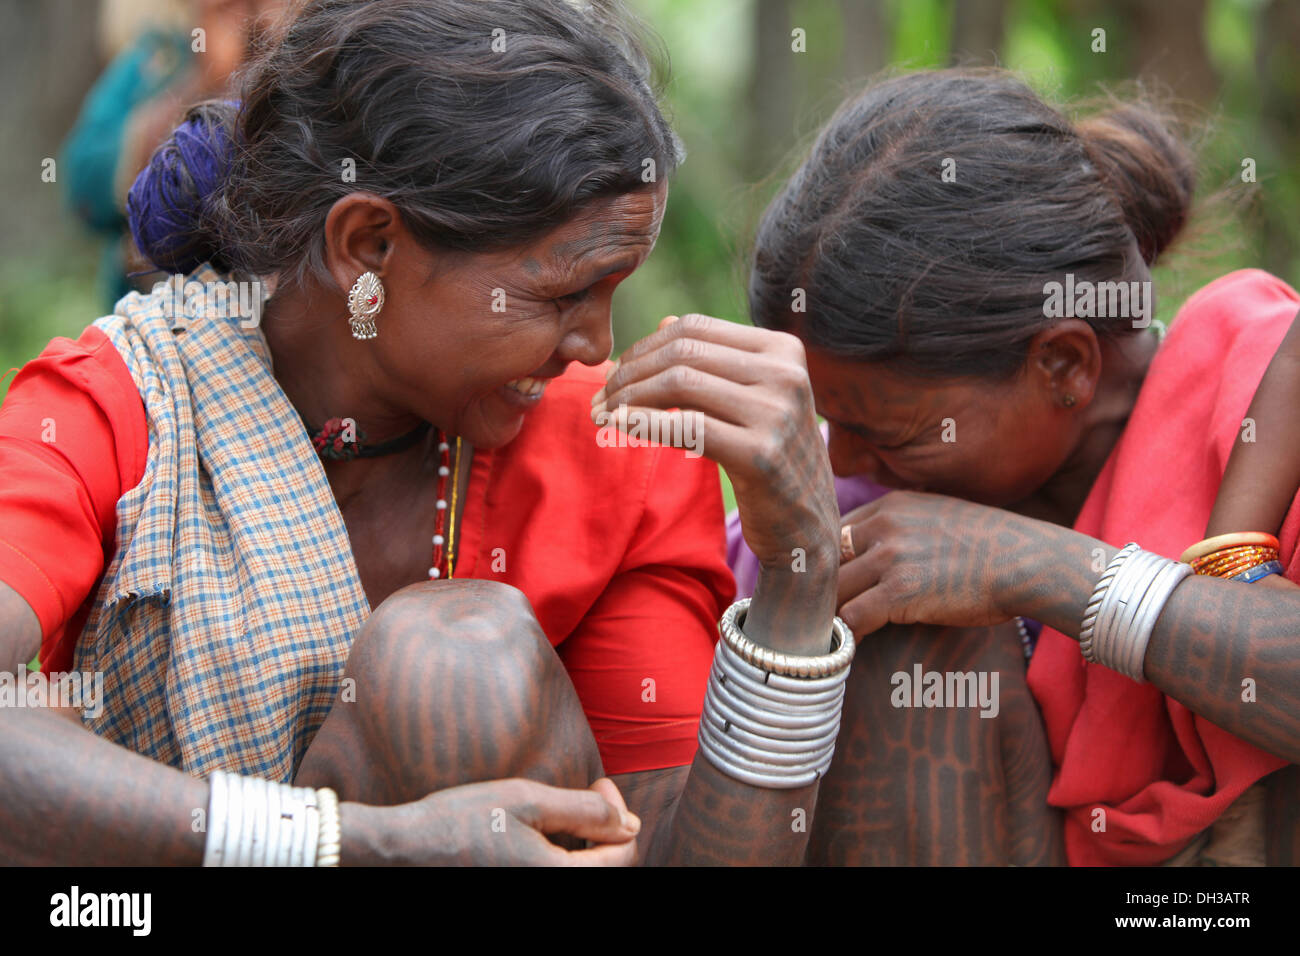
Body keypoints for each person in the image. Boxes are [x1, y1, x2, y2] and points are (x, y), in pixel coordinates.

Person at [1, 0, 851, 866]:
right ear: (369, 246)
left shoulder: (612, 454)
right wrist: (361, 844)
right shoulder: (121, 411)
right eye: (561, 296)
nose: (598, 345)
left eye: (612, 295)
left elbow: (675, 854)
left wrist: (799, 574)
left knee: (453, 665)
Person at [737, 67, 1300, 865]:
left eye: (883, 429)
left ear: (1063, 366)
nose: (842, 458)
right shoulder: (871, 513)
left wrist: (1032, 568)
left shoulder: (1261, 407)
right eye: (827, 421)